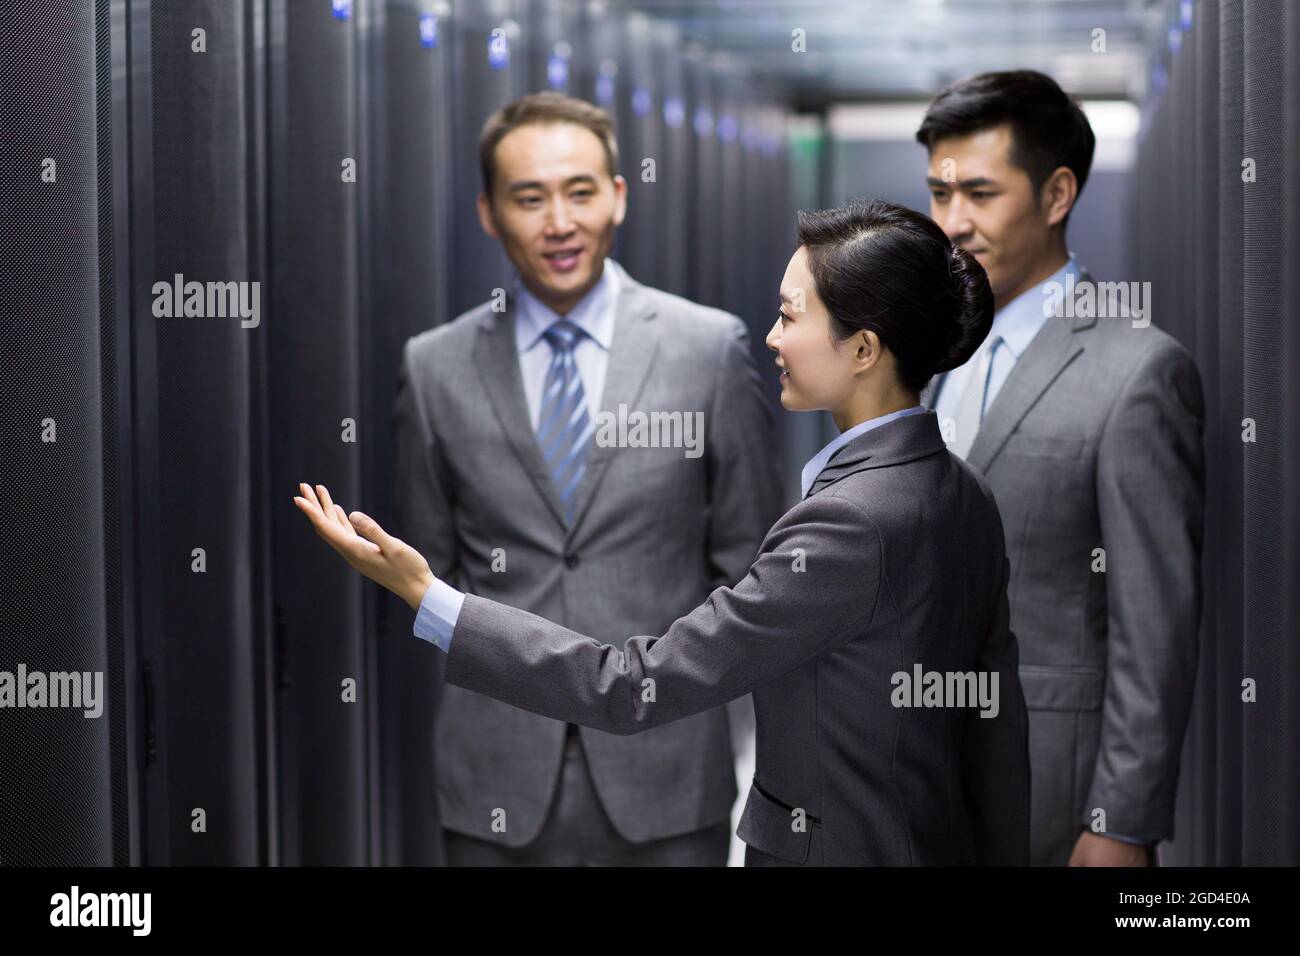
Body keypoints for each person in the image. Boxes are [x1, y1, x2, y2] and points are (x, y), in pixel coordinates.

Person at [297, 198, 1032, 866]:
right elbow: (993, 727)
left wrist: (429, 598)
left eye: (791, 316)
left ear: (864, 350)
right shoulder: (961, 490)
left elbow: (632, 685)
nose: (772, 337)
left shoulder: (849, 522)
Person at [391, 92, 783, 866]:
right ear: (488, 213)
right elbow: (427, 577)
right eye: (528, 198)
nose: (559, 222)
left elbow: (750, 568)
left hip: (665, 767)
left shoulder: (707, 348)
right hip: (496, 777)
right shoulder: (433, 367)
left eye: (580, 191)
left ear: (619, 197)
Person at [915, 70, 1205, 866]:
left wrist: (1122, 821)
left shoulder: (1139, 372)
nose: (953, 222)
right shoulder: (940, 358)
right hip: (924, 783)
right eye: (939, 195)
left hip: (1054, 790)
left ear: (1057, 195)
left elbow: (1156, 627)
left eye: (979, 193)